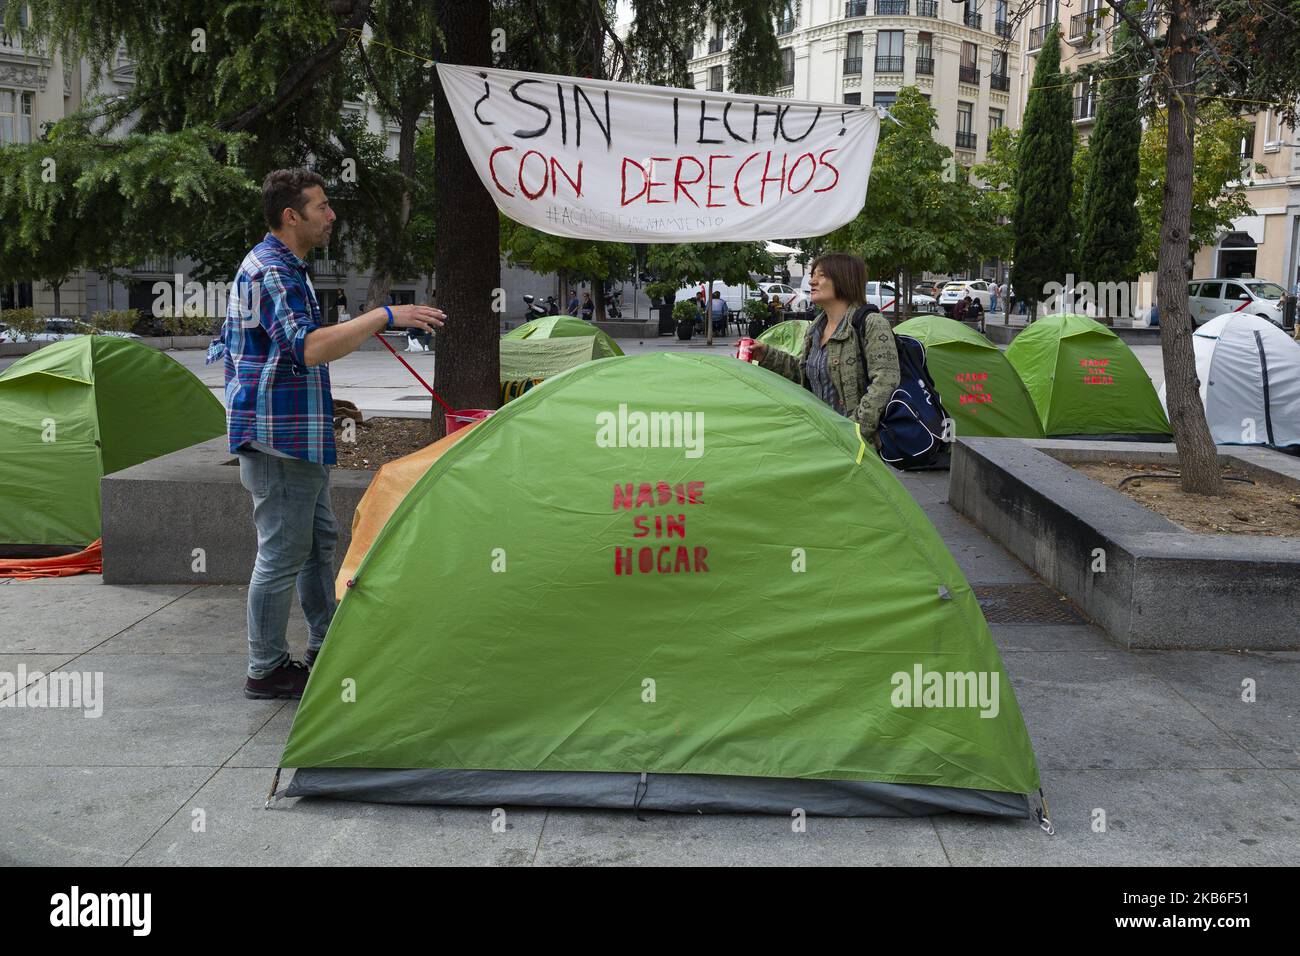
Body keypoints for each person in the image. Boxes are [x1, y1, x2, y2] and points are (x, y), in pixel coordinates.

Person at [221, 168, 442, 700]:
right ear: (290, 216)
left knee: (318, 543)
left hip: (295, 432)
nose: (332, 215)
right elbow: (307, 347)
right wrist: (386, 315)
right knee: (280, 553)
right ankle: (266, 669)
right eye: (321, 206)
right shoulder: (272, 270)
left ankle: (325, 644)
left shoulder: (285, 267)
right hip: (278, 436)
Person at [748, 252, 901, 448]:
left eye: (821, 275)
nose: (812, 281)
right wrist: (766, 354)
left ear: (844, 279)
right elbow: (804, 374)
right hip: (822, 439)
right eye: (812, 275)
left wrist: (854, 430)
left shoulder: (870, 323)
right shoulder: (815, 329)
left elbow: (886, 380)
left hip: (857, 446)